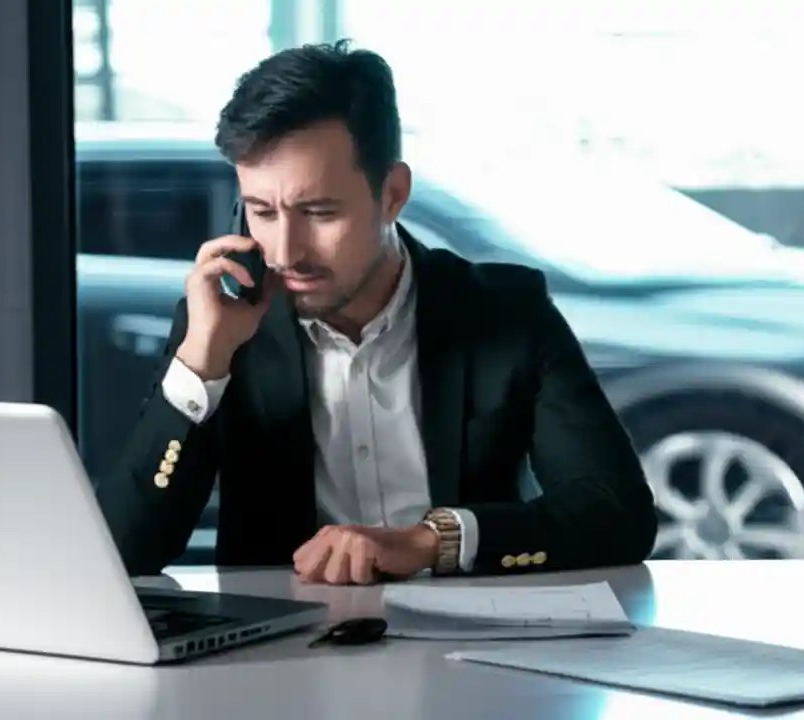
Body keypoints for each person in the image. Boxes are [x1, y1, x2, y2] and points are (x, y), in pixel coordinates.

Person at [98, 40, 657, 585]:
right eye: (262, 211)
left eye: (318, 211)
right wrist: (202, 365)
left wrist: (433, 542)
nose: (286, 252)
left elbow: (618, 514)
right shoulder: (220, 326)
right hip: (282, 656)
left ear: (392, 193)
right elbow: (127, 551)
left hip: (478, 653)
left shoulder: (504, 312)